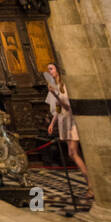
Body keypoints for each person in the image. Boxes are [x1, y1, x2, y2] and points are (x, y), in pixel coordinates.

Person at [45, 63, 94, 198]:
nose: (49, 71)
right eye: (48, 70)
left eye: (51, 68)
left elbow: (67, 107)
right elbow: (58, 109)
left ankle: (91, 185)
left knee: (73, 153)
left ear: (57, 70)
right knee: (72, 153)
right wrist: (53, 123)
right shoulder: (54, 87)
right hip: (63, 122)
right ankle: (90, 184)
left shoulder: (64, 86)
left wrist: (55, 94)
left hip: (71, 121)